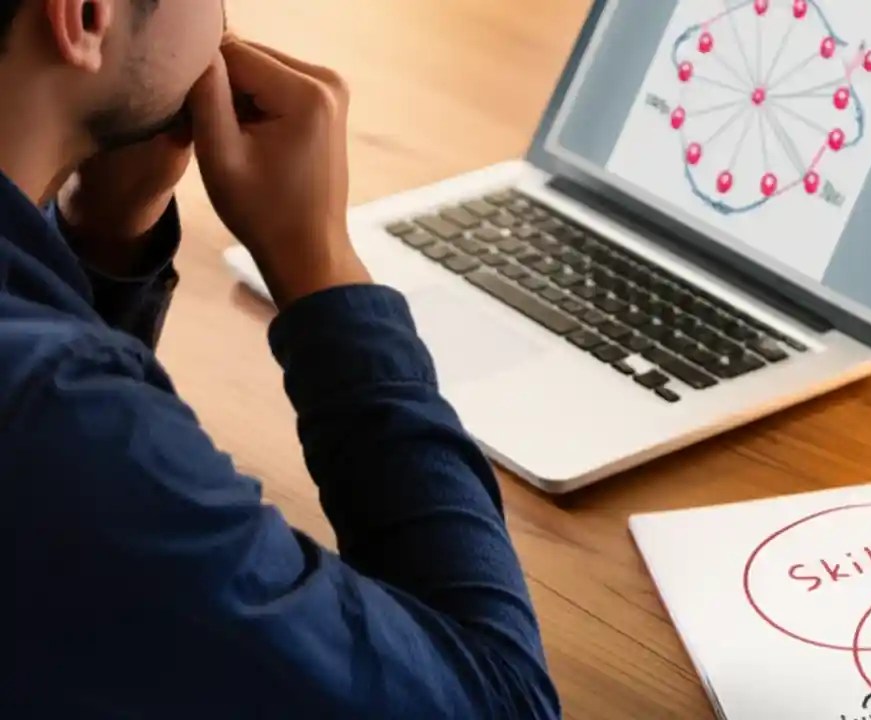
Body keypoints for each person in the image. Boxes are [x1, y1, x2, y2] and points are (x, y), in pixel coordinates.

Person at [0, 1, 560, 717]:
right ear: (83, 16)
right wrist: (320, 265)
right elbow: (501, 704)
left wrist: (104, 239)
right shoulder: (70, 420)